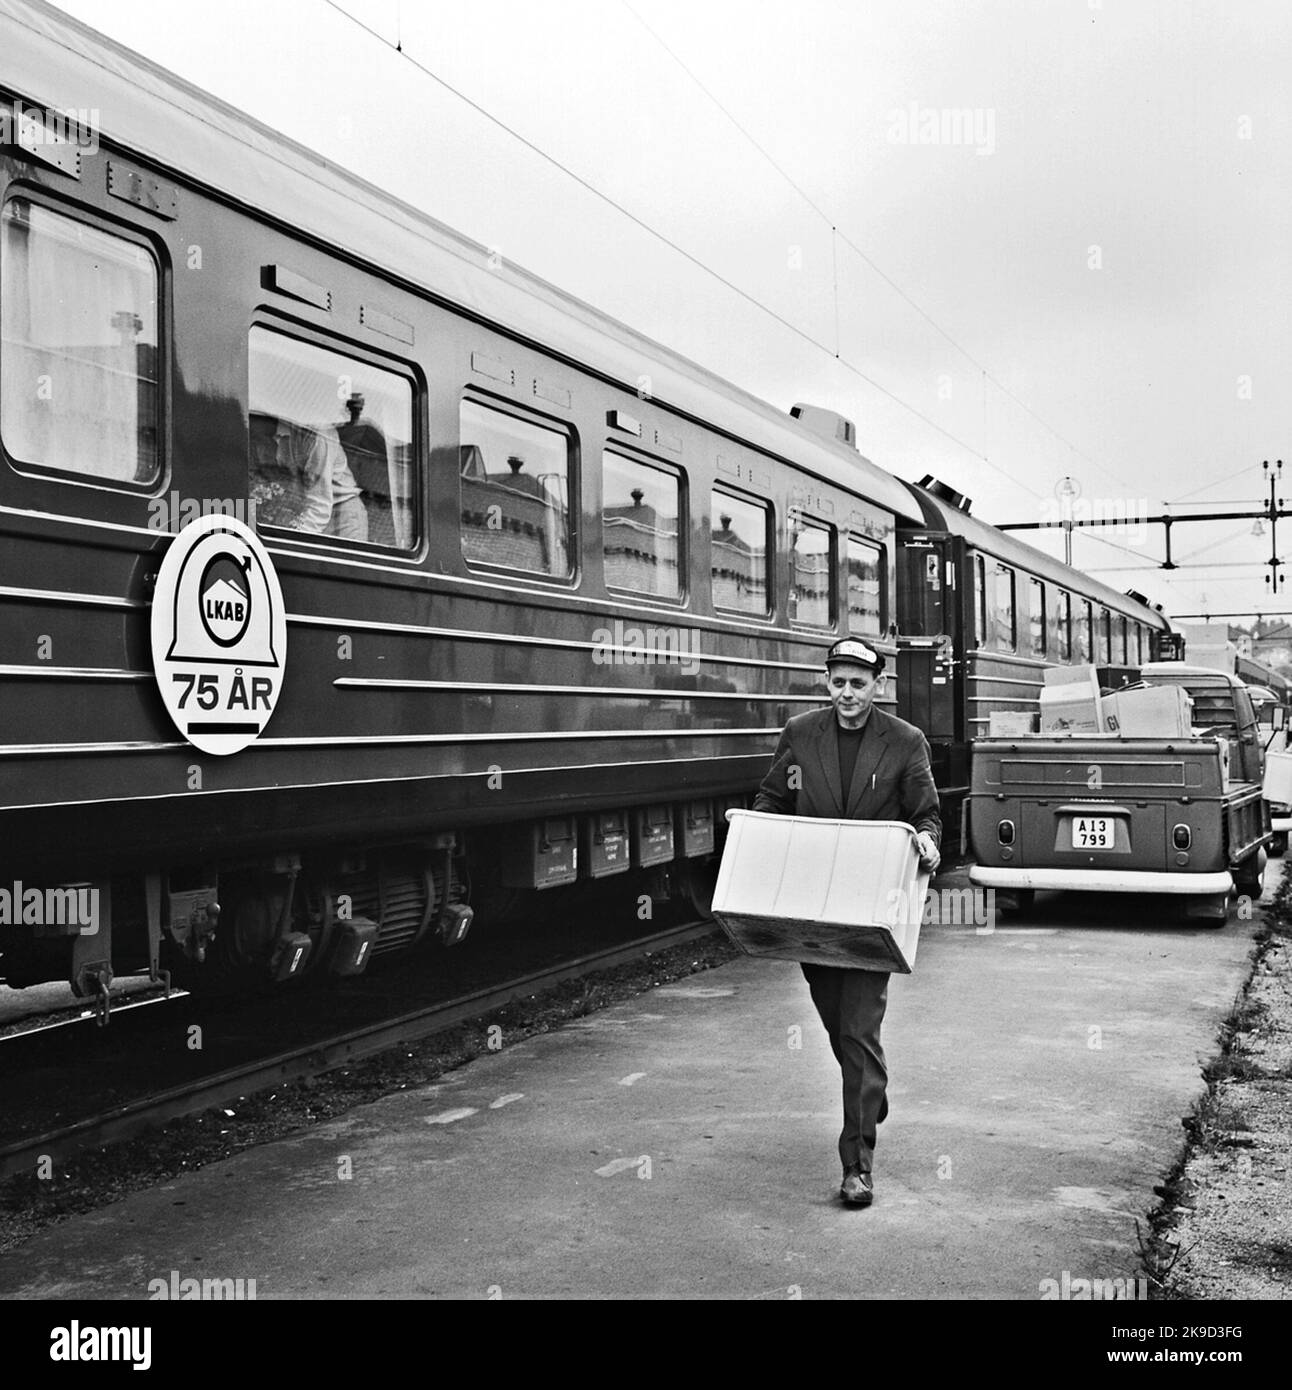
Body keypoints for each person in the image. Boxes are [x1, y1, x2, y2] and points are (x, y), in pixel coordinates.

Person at [753, 637, 940, 1207]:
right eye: (838, 682)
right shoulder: (800, 734)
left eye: (858, 684)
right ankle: (870, 1088)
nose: (847, 694)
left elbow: (925, 813)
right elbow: (772, 798)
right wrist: (761, 832)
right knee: (838, 1024)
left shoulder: (906, 742)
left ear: (877, 685)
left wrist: (929, 843)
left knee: (858, 1030)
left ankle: (856, 1165)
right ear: (826, 681)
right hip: (815, 911)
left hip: (869, 914)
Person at [249, 413, 367, 540]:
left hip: (342, 516)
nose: (248, 425)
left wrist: (291, 542)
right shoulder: (261, 436)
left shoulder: (317, 435)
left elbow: (320, 505)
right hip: (308, 513)